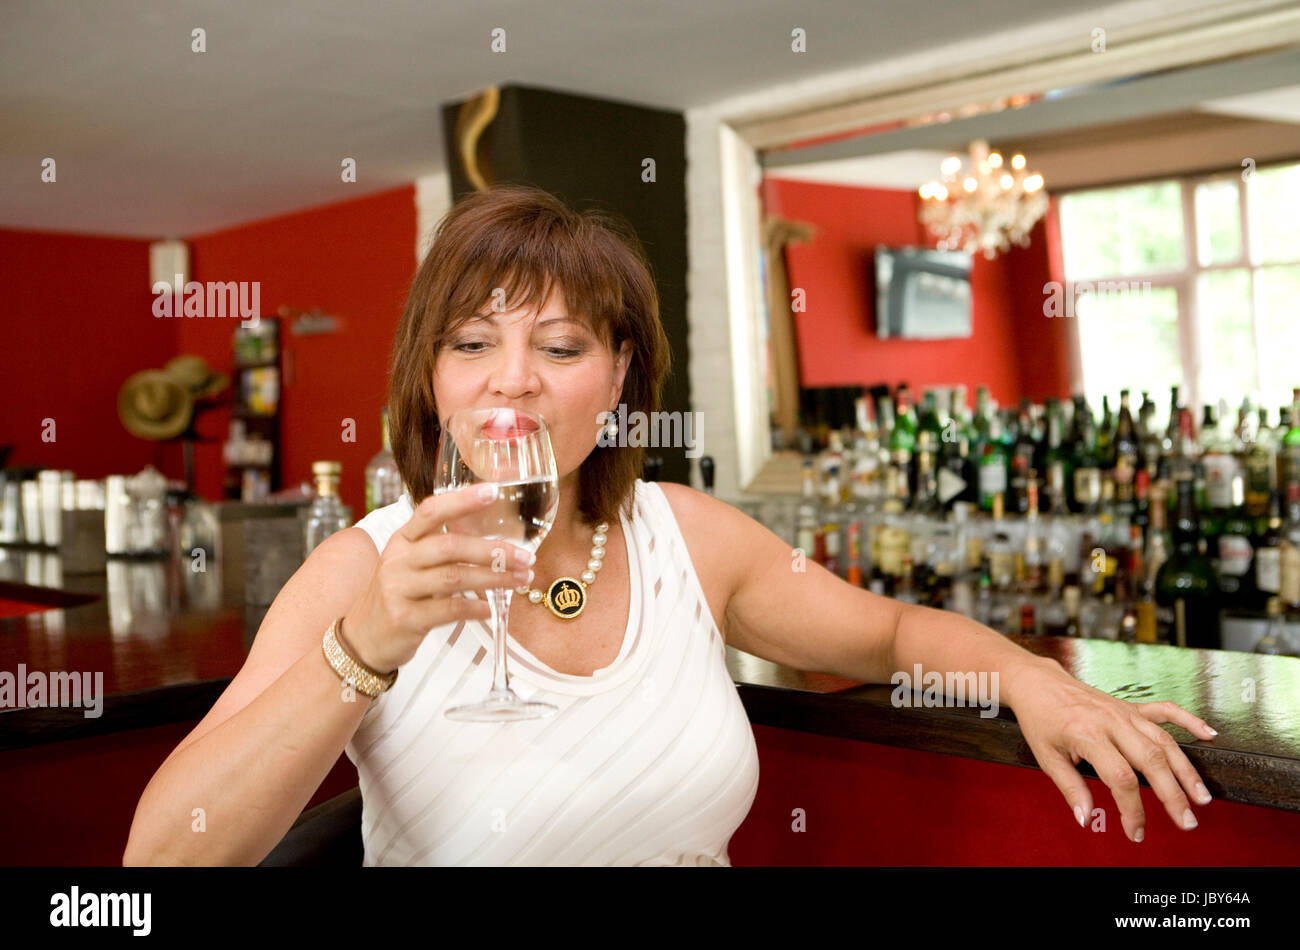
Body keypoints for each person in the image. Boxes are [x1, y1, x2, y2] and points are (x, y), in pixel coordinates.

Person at [125, 184, 1216, 866]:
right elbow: (165, 857)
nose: (513, 384)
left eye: (558, 348)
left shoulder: (686, 535)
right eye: (470, 344)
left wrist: (1026, 674)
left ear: (619, 379)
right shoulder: (359, 566)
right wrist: (360, 649)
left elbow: (887, 636)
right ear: (430, 380)